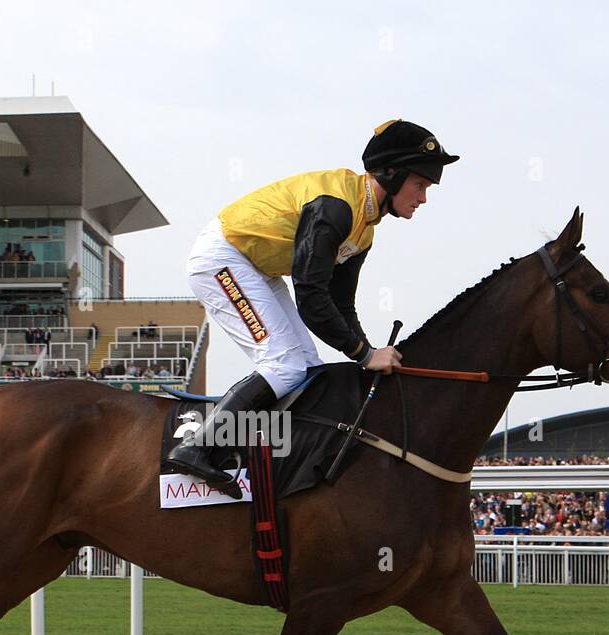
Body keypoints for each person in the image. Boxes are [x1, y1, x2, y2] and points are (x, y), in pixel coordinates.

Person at [168, 119, 458, 496]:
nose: (423, 198)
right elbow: (311, 298)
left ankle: (274, 452)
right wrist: (364, 354)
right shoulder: (335, 208)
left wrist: (367, 353)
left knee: (307, 368)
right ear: (392, 173)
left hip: (255, 267)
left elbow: (340, 304)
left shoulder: (364, 228)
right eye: (420, 184)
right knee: (284, 366)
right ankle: (197, 447)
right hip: (223, 258)